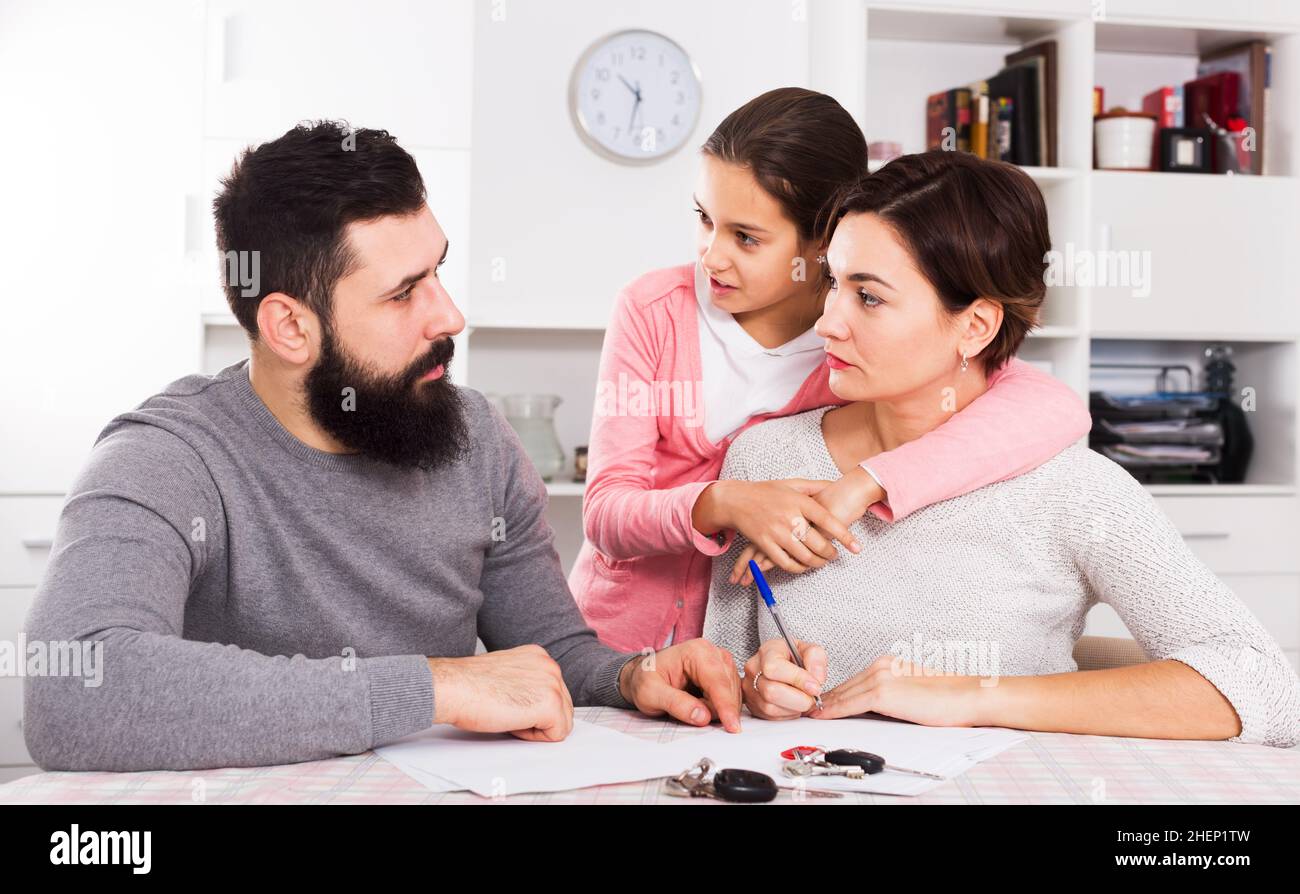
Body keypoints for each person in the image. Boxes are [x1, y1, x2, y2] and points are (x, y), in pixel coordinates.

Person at [21, 122, 744, 772]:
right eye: (404, 294)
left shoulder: (478, 439)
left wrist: (631, 676)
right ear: (290, 328)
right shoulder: (166, 458)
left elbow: (553, 653)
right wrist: (435, 686)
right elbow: (74, 686)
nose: (449, 314)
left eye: (438, 271)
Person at [704, 150, 1300, 747]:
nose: (827, 322)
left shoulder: (1073, 490)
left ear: (976, 327)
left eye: (870, 296)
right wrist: (757, 684)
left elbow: (1267, 690)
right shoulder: (765, 461)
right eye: (833, 282)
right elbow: (723, 676)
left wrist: (971, 697)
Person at [572, 88, 1092, 653]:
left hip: (751, 657)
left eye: (746, 237)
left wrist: (867, 484)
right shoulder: (653, 309)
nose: (711, 256)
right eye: (704, 219)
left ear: (825, 238)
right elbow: (605, 512)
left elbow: (1051, 407)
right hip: (615, 646)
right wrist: (723, 501)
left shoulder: (860, 334)